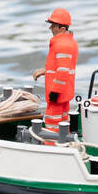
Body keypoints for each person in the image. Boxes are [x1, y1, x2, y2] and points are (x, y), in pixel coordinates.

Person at [32, 8, 77, 142]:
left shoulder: (62, 44)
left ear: (62, 28)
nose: (51, 28)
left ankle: (51, 148)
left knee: (52, 123)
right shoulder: (68, 42)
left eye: (53, 25)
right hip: (65, 93)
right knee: (63, 122)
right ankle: (63, 144)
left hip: (57, 94)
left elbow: (62, 71)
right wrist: (44, 71)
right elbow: (61, 67)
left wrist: (55, 92)